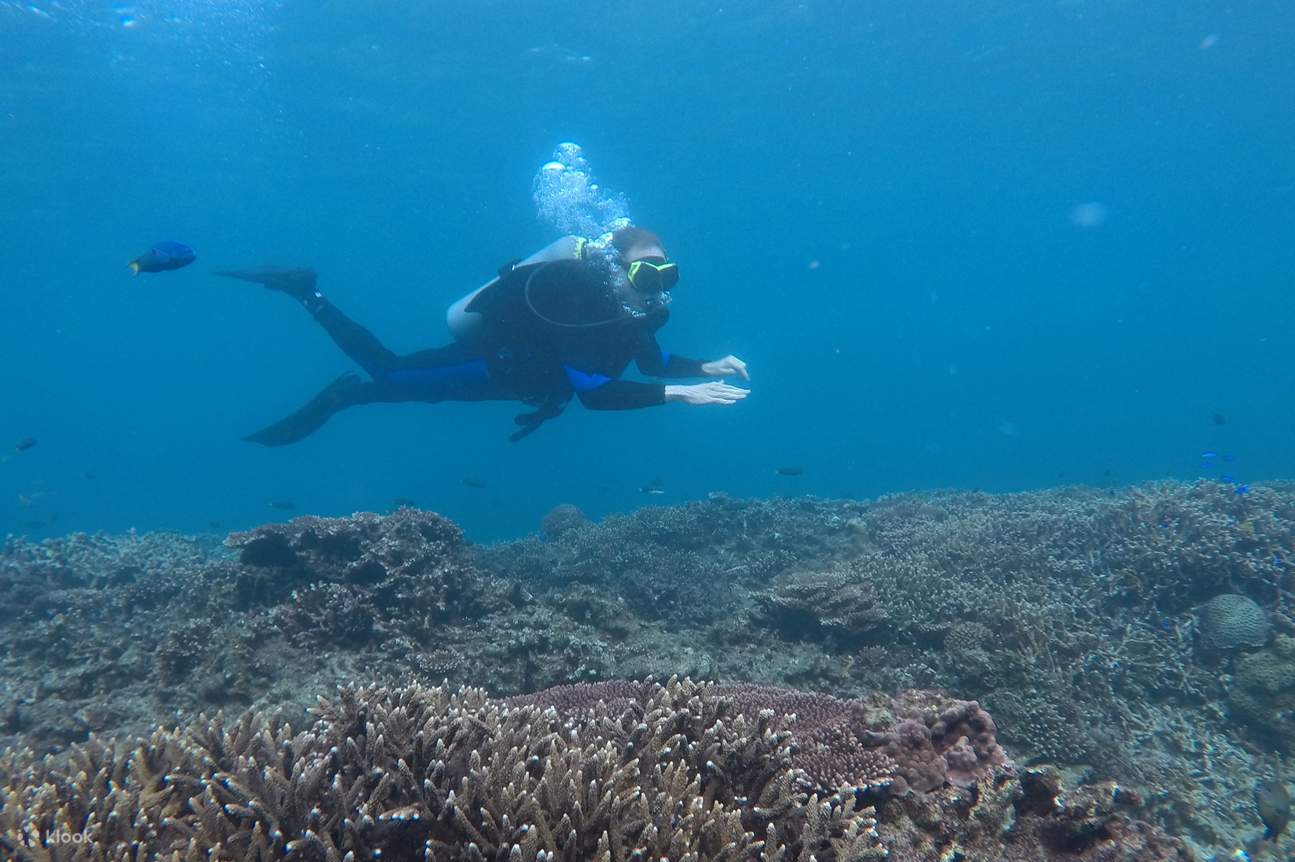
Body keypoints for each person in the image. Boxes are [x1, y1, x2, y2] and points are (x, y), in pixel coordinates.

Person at [218, 226, 749, 444]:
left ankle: (348, 395)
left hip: (516, 383)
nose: (657, 287)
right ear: (615, 271)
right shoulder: (577, 298)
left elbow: (652, 361)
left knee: (410, 390)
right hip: (491, 363)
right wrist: (678, 394)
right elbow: (595, 394)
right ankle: (308, 294)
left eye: (666, 275)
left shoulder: (632, 317)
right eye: (644, 274)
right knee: (391, 369)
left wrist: (703, 367)